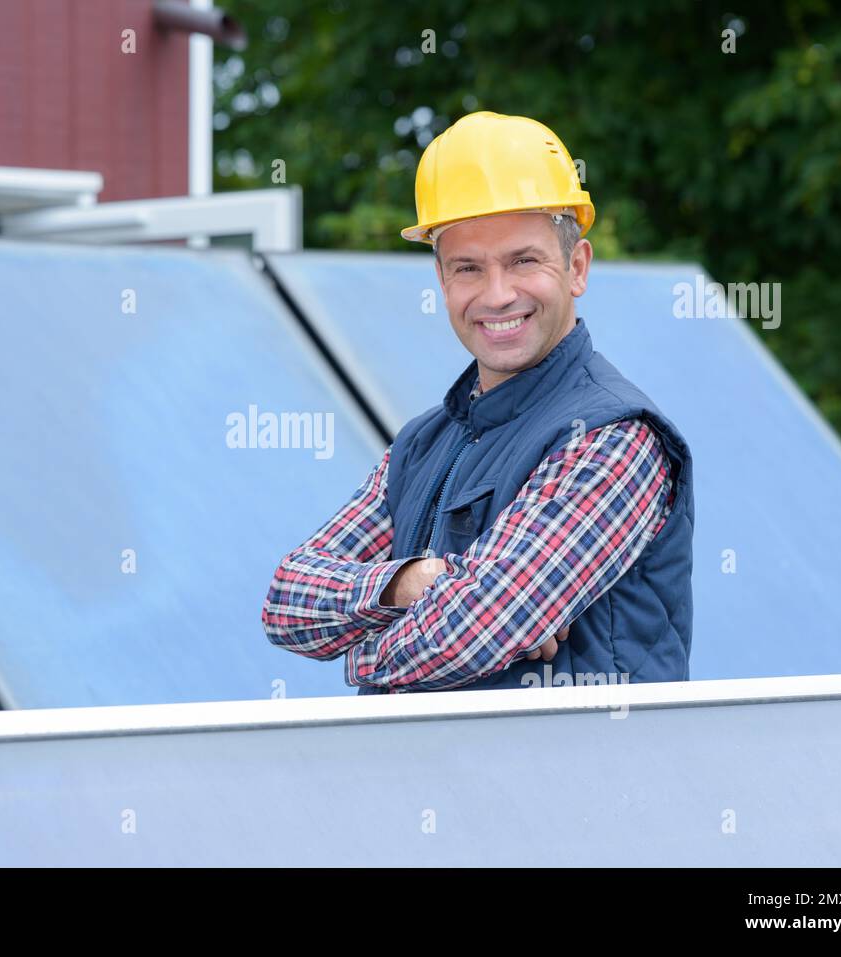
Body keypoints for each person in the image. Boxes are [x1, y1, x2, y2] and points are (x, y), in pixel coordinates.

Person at [262, 111, 695, 694]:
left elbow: (474, 632)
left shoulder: (612, 438)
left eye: (523, 261)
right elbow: (286, 603)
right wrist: (409, 582)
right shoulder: (422, 444)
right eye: (468, 268)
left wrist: (360, 656)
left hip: (581, 759)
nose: (497, 294)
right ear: (443, 282)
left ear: (577, 267)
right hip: (421, 759)